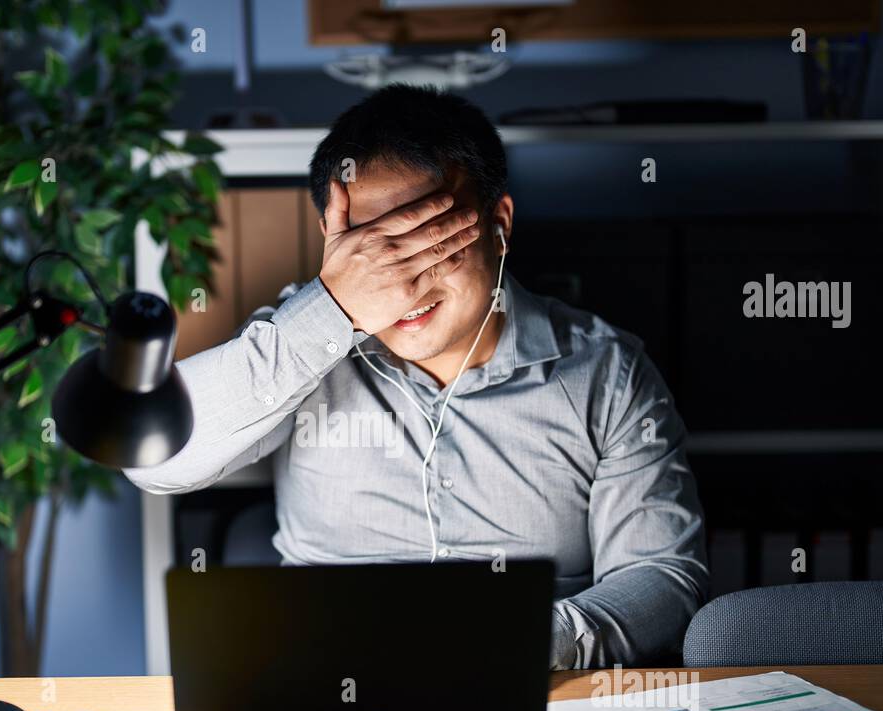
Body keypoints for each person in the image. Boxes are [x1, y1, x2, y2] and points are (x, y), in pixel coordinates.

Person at [126, 84, 708, 667]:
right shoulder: (294, 346)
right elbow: (156, 458)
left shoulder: (607, 371)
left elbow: (661, 576)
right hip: (330, 686)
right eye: (374, 250)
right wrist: (333, 307)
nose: (402, 285)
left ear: (499, 225)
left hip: (541, 689)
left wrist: (532, 639)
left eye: (428, 241)